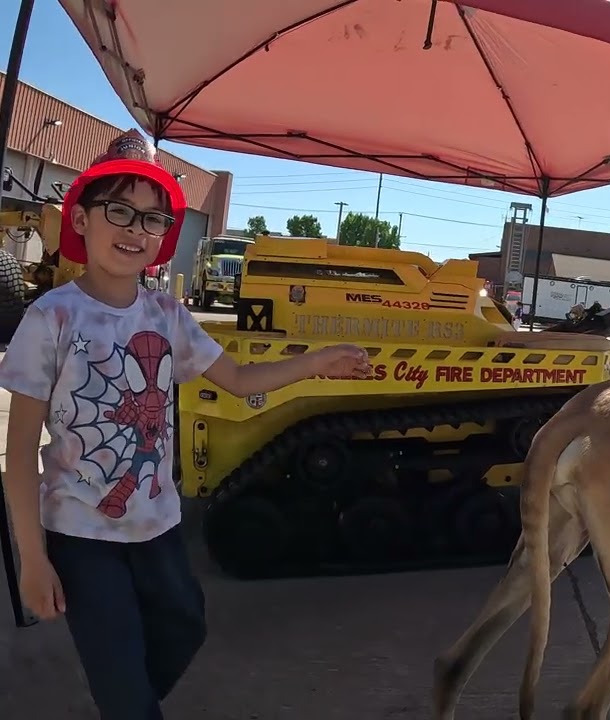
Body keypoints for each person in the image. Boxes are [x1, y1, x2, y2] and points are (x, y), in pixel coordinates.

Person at [0, 131, 372, 720]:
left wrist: (318, 362)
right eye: (118, 209)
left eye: (151, 218)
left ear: (162, 238)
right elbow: (19, 452)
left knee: (184, 629)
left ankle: (128, 699)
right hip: (82, 538)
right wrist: (32, 558)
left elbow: (241, 380)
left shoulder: (168, 315)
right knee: (124, 688)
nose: (134, 228)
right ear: (82, 219)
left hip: (159, 527)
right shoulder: (51, 318)